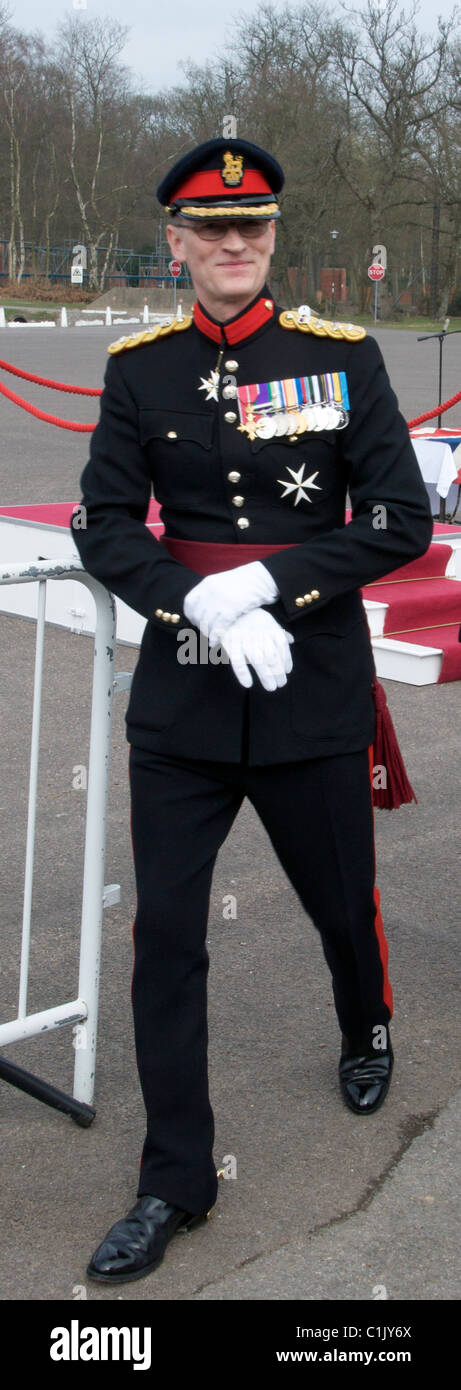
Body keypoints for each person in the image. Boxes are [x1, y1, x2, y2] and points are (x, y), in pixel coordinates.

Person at [71, 136, 433, 1285]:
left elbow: (395, 520)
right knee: (167, 940)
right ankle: (174, 1179)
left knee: (338, 898)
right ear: (177, 245)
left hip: (305, 689)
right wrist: (197, 600)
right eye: (211, 230)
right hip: (181, 695)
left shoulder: (338, 357)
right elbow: (102, 522)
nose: (235, 245)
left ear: (272, 238)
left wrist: (270, 585)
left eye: (254, 228)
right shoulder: (141, 369)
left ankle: (364, 1021)